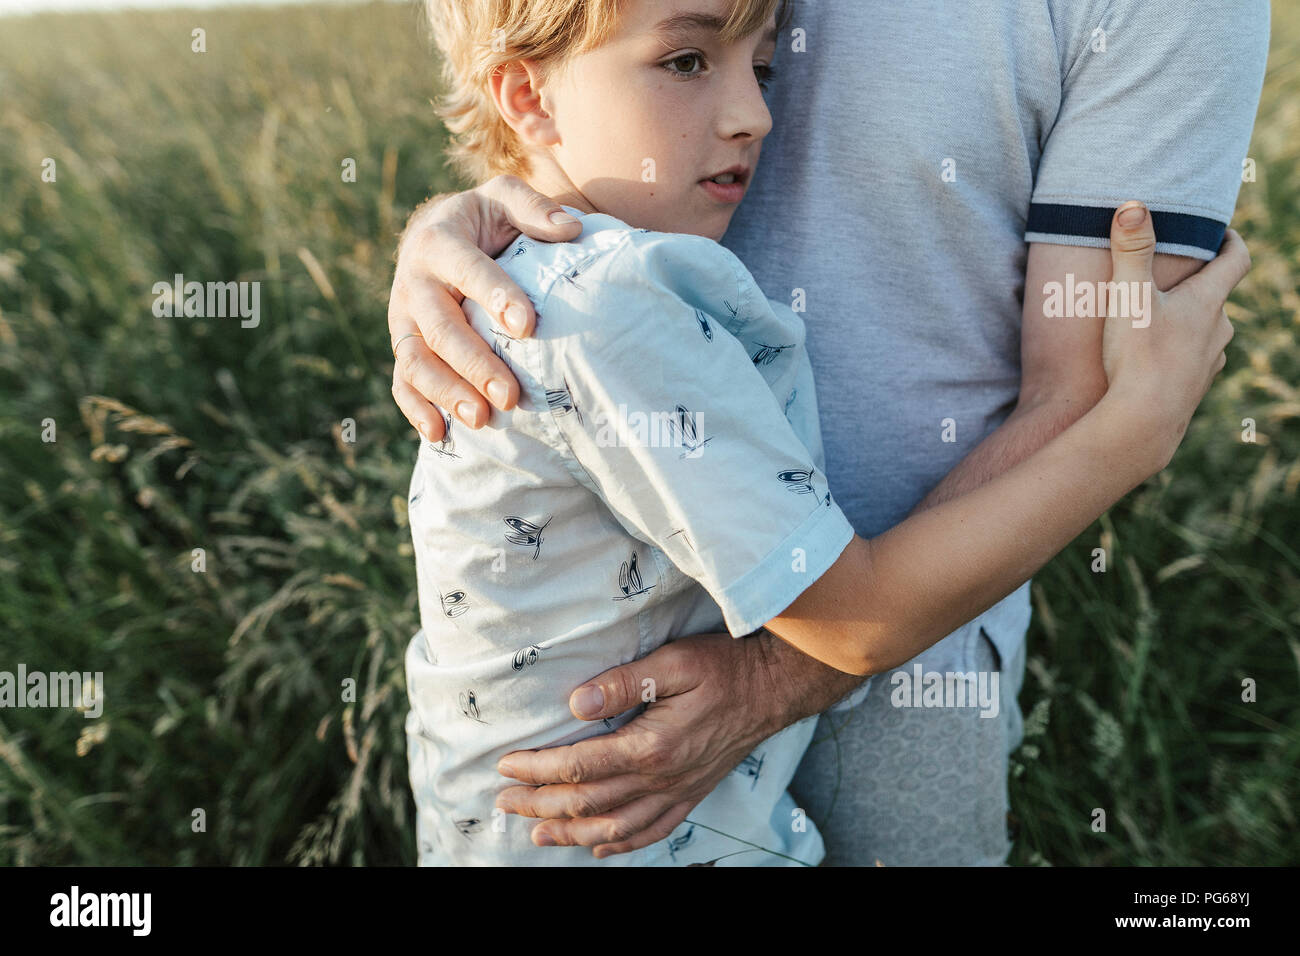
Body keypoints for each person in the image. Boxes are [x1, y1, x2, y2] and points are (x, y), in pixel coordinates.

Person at [389, 0, 1267, 864]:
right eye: (691, 63)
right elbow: (864, 617)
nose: (757, 114)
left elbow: (1089, 376)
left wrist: (775, 682)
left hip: (893, 664)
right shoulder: (601, 312)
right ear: (525, 98)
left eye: (766, 68)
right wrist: (1141, 433)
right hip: (638, 804)